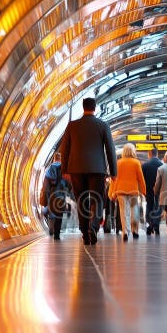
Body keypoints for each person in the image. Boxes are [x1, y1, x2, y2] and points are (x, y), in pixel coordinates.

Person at [59, 97, 117, 245]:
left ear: (83, 107)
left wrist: (64, 169)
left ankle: (85, 231)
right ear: (95, 108)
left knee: (81, 200)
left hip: (76, 169)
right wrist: (113, 172)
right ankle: (94, 226)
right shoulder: (103, 125)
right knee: (97, 199)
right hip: (97, 169)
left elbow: (64, 149)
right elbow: (110, 149)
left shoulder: (72, 126)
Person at [109, 143, 147, 241]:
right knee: (134, 210)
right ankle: (135, 231)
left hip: (120, 190)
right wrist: (143, 190)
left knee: (122, 211)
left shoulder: (118, 162)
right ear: (133, 151)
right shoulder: (136, 162)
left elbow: (114, 179)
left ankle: (125, 232)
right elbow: (140, 178)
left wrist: (111, 192)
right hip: (133, 190)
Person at [40, 152, 71, 240]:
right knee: (59, 214)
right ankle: (57, 235)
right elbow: (68, 182)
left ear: (54, 159)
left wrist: (44, 193)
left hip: (51, 194)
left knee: (52, 211)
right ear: (60, 159)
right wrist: (68, 190)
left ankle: (51, 229)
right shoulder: (64, 168)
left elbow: (45, 183)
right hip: (61, 194)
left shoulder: (50, 168)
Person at [141, 148, 164, 236]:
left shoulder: (145, 165)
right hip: (159, 190)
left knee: (149, 207)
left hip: (148, 191)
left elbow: (141, 180)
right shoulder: (162, 165)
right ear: (157, 154)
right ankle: (156, 226)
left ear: (149, 155)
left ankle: (149, 226)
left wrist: (143, 191)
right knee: (157, 207)